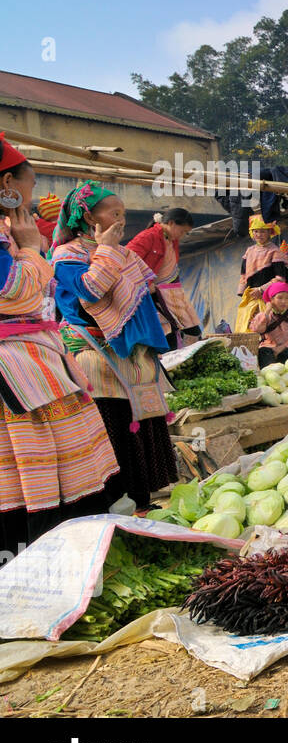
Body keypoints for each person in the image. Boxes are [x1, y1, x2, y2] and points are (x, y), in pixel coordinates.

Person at [0, 140, 118, 553]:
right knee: (43, 468)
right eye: (29, 186)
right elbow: (13, 291)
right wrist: (32, 248)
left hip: (30, 354)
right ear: (8, 184)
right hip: (17, 364)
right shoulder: (19, 235)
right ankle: (52, 555)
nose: (31, 198)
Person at [52, 181, 179, 510]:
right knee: (115, 425)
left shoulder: (122, 253)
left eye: (124, 213)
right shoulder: (66, 256)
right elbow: (90, 291)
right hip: (93, 351)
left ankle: (141, 500)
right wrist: (106, 251)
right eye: (114, 213)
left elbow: (147, 287)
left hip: (130, 350)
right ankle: (113, 503)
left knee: (142, 423)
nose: (122, 220)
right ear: (87, 216)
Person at [126, 207, 200, 349]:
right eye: (182, 231)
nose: (182, 235)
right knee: (167, 335)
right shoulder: (148, 237)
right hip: (151, 295)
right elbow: (127, 261)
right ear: (171, 223)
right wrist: (147, 283)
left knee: (192, 330)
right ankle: (168, 368)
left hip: (170, 293)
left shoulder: (172, 241)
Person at [235, 216, 288, 332]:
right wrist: (242, 292)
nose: (259, 234)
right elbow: (243, 274)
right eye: (256, 231)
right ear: (252, 233)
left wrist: (261, 290)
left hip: (269, 298)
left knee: (265, 326)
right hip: (250, 296)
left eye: (262, 231)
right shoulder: (249, 251)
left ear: (270, 232)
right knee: (246, 325)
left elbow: (280, 278)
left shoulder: (275, 252)